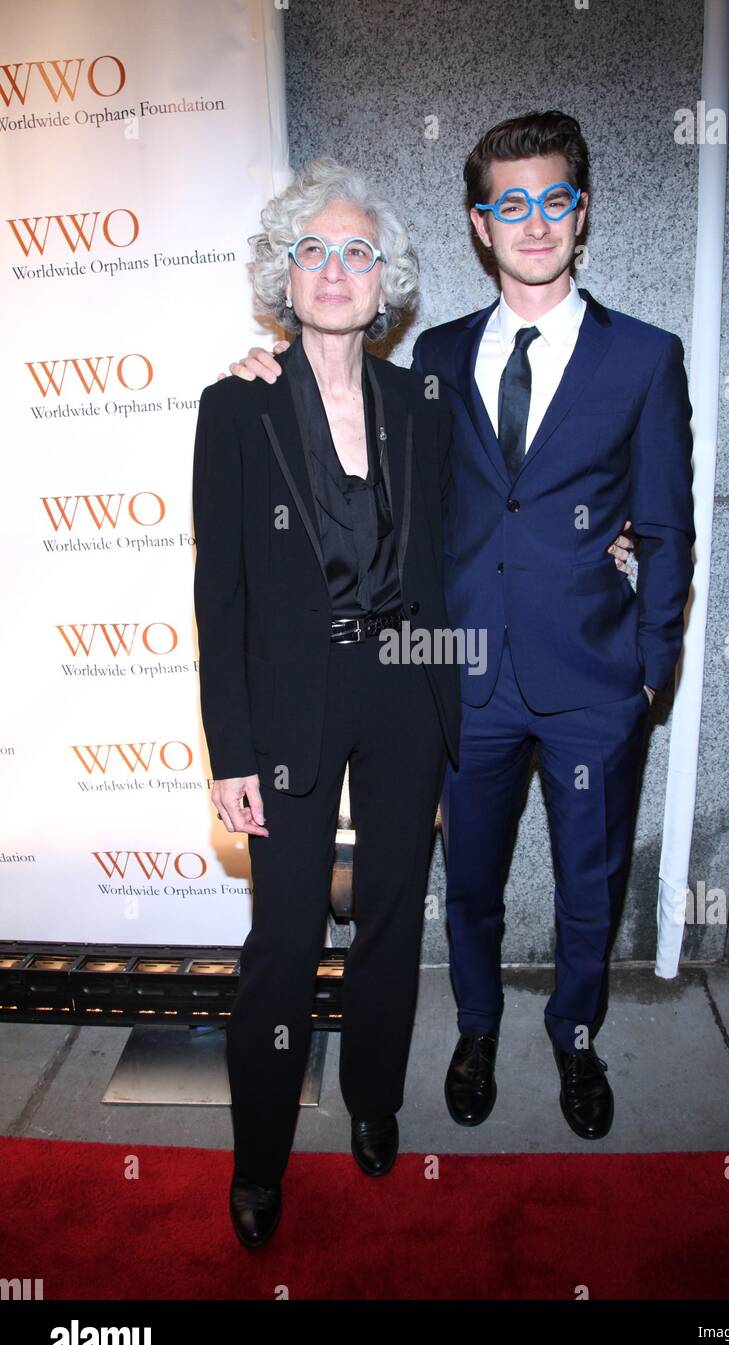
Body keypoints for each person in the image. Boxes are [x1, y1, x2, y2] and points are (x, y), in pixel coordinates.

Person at [226, 110, 691, 1147]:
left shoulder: (644, 359)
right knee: (466, 881)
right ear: (479, 225)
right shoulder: (430, 360)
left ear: (581, 212)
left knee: (588, 884)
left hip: (590, 683)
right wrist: (266, 369)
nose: (533, 222)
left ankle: (575, 1035)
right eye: (508, 203)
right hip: (453, 677)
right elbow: (340, 431)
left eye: (553, 199)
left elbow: (665, 528)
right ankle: (473, 1029)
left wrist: (648, 677)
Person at [192, 157, 459, 1248]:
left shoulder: (421, 400)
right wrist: (231, 747)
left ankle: (375, 1101)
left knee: (394, 919)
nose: (337, 268)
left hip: (405, 689)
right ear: (283, 274)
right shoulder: (236, 404)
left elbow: (461, 549)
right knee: (285, 934)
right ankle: (259, 1158)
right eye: (315, 249)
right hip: (290, 700)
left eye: (357, 250)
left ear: (382, 275)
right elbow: (220, 591)